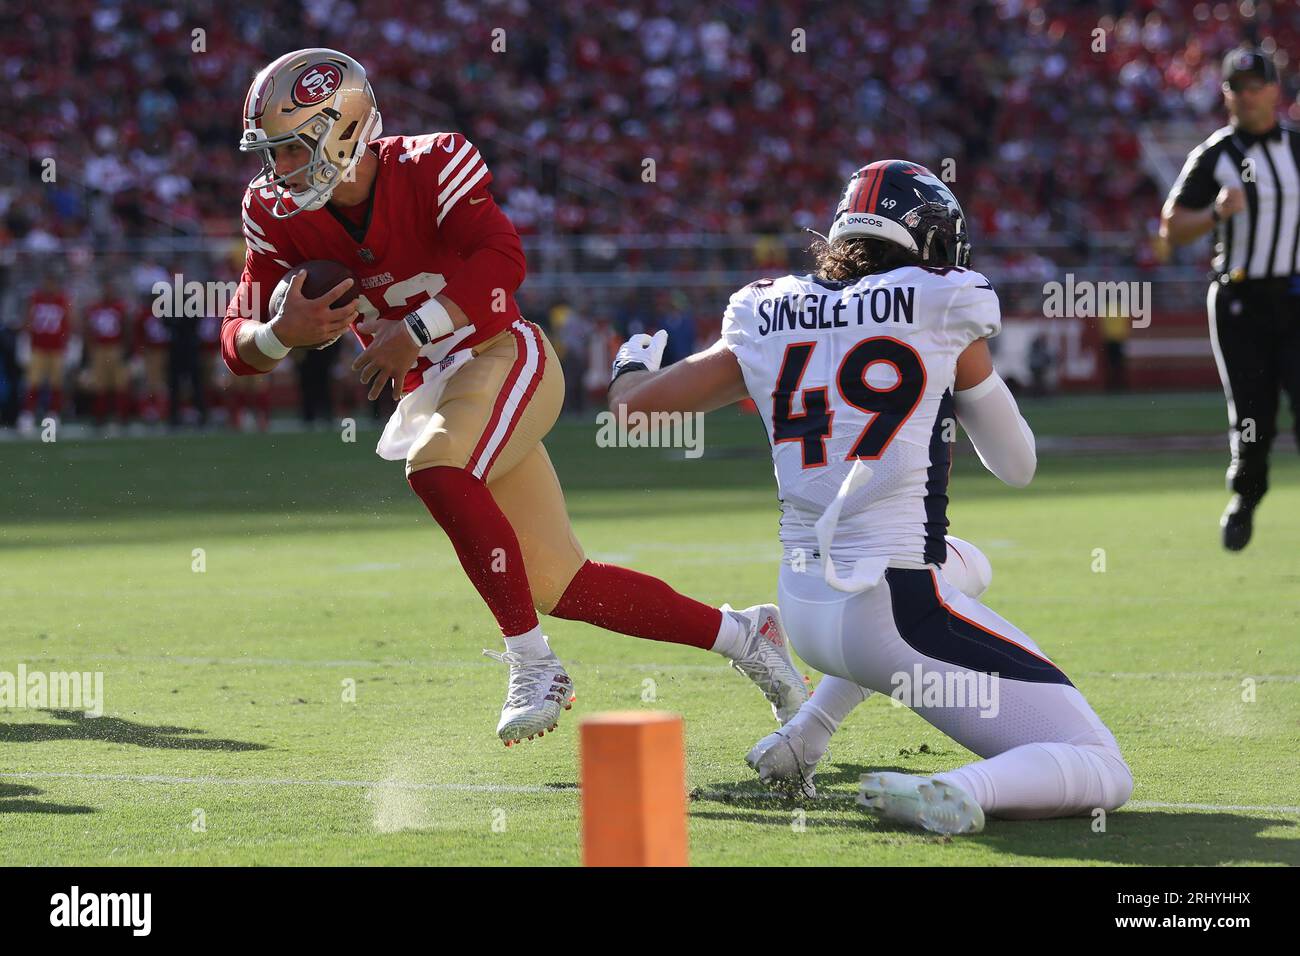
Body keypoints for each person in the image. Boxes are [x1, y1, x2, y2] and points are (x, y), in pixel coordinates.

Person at [220, 48, 808, 745]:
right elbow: (236, 343)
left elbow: (503, 263)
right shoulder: (274, 211)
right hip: (440, 388)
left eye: (290, 149)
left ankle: (534, 666)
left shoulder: (431, 161)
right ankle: (748, 636)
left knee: (437, 468)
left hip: (503, 353)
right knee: (563, 585)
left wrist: (414, 329)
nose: (277, 171)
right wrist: (279, 333)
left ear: (342, 130)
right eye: (273, 153)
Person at [607, 161, 1133, 834]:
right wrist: (959, 376)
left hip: (806, 610)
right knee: (1102, 765)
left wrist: (631, 365)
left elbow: (634, 410)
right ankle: (951, 789)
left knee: (967, 563)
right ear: (934, 247)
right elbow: (1016, 464)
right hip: (893, 616)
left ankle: (808, 729)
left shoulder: (766, 309)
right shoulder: (940, 303)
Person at [1160, 48, 1300, 551]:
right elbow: (1172, 229)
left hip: (1296, 296)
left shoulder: (1297, 149)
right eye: (1236, 87)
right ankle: (1246, 495)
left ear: (1274, 90)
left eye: (1255, 85)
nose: (1246, 95)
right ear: (1226, 95)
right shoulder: (1215, 155)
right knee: (1252, 411)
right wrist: (1217, 214)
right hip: (1241, 301)